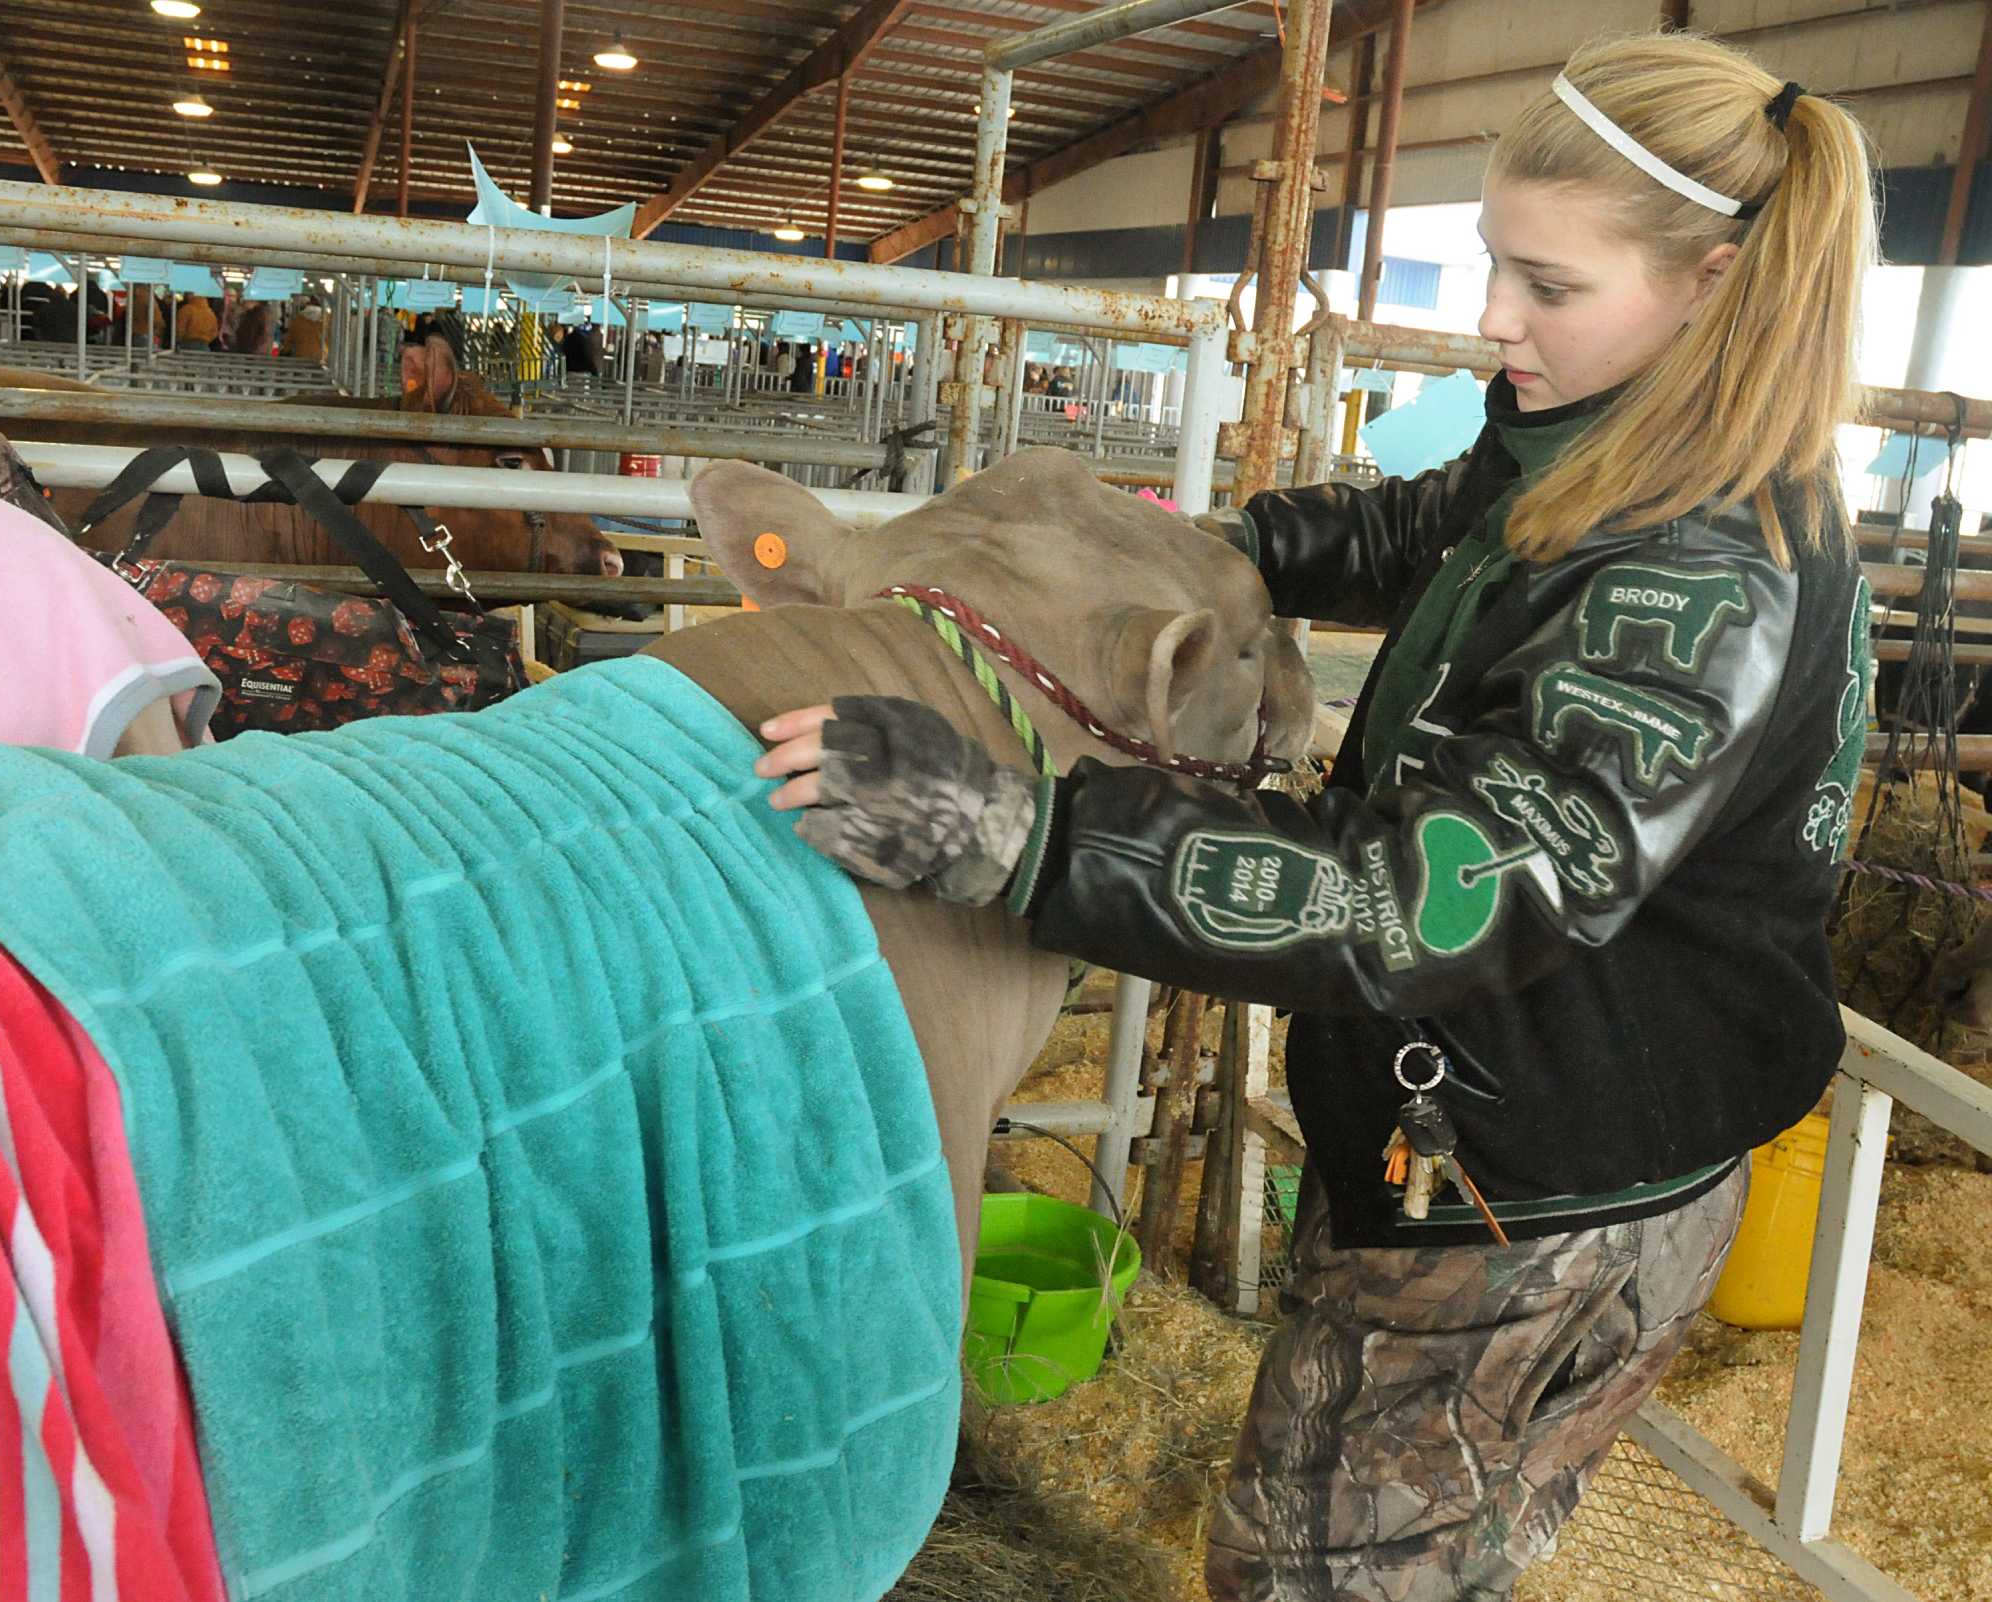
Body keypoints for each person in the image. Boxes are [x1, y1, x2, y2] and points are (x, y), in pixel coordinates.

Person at [753, 32, 1875, 1602]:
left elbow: (1439, 900)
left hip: (1538, 1195)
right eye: (1496, 263)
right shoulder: (1612, 433)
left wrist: (1034, 840)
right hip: (1493, 1126)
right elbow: (1432, 524)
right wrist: (1204, 558)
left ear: (1714, 282)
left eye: (1549, 286)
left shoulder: (1697, 575)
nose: (1495, 319)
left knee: (1318, 1575)